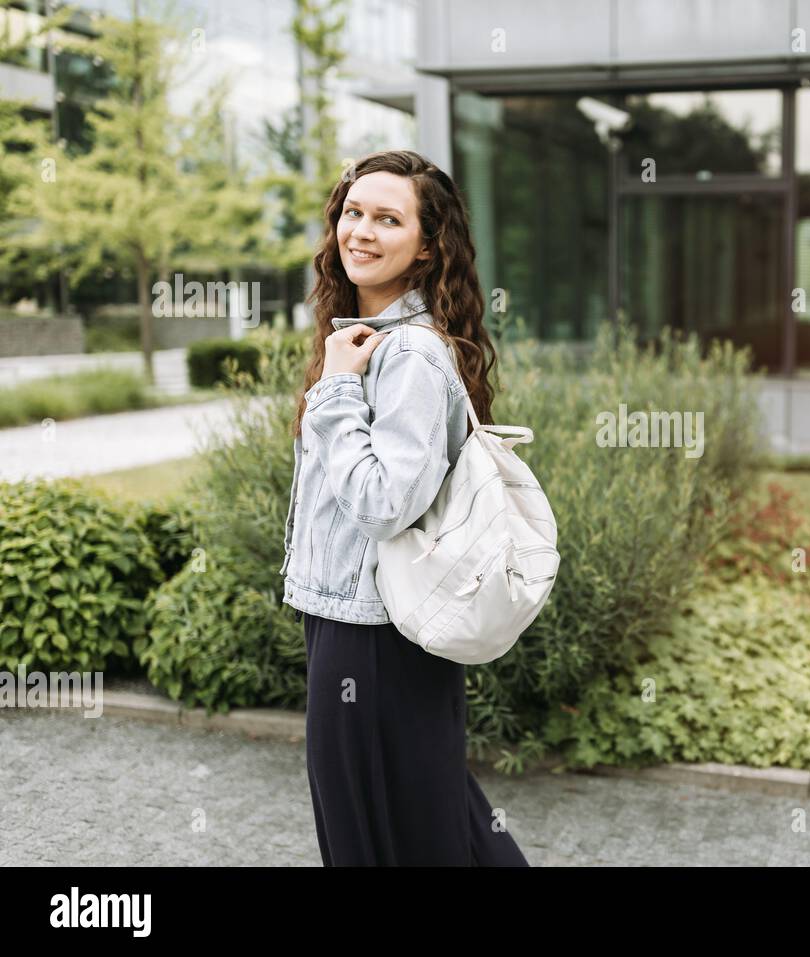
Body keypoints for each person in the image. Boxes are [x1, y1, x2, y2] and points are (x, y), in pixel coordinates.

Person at [279, 149, 529, 867]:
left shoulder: (408, 356)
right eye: (353, 213)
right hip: (353, 619)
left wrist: (333, 392)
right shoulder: (365, 344)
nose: (361, 230)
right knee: (433, 816)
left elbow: (382, 504)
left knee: (377, 833)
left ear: (426, 247)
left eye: (388, 218)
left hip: (375, 632)